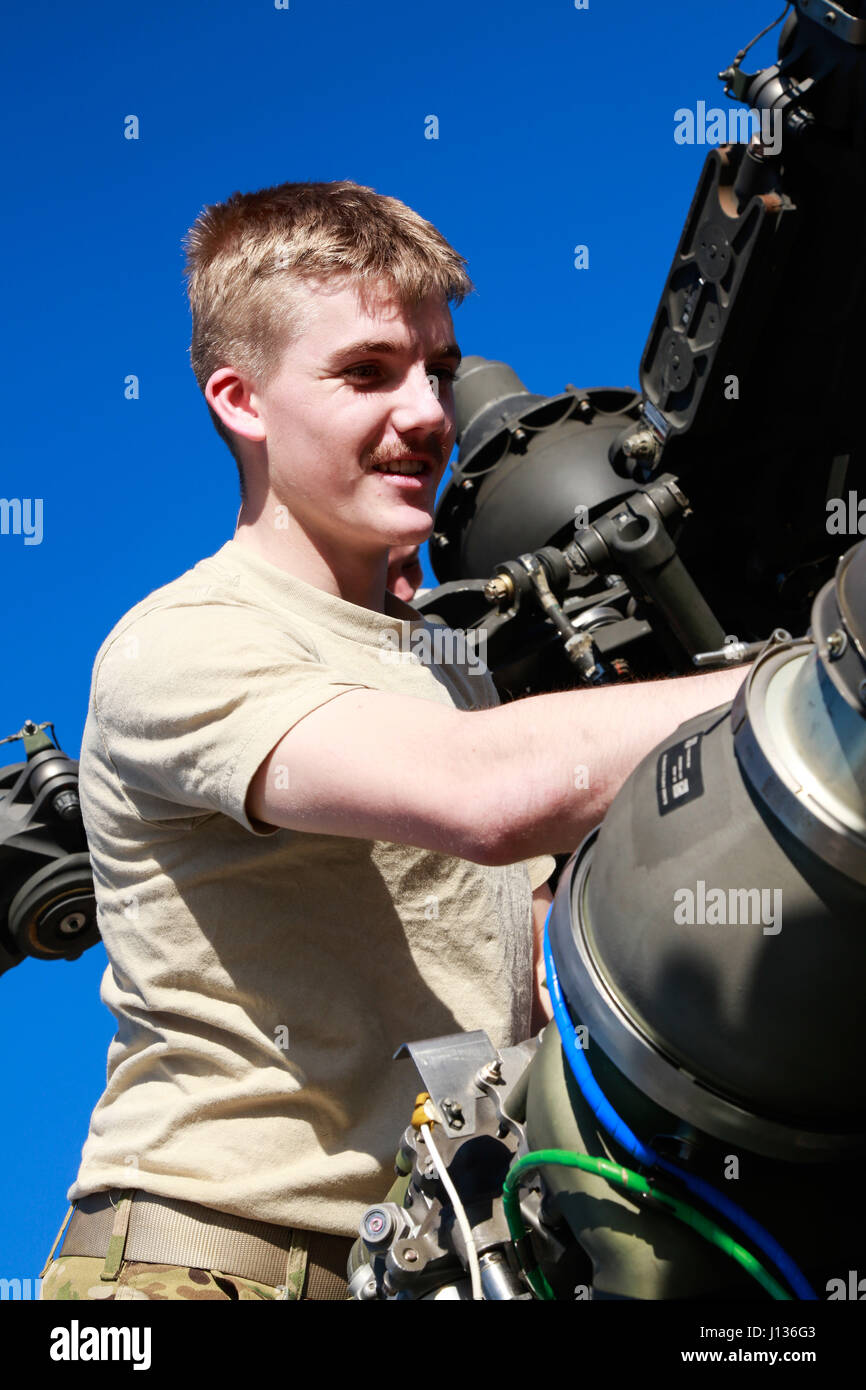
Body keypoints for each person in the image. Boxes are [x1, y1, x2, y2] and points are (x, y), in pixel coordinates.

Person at [40, 180, 745, 1302]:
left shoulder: (453, 664)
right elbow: (488, 794)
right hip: (208, 1273)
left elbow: (536, 952)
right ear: (241, 401)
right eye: (365, 372)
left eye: (435, 368)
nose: (425, 412)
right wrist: (805, 676)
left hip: (442, 1266)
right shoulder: (187, 638)